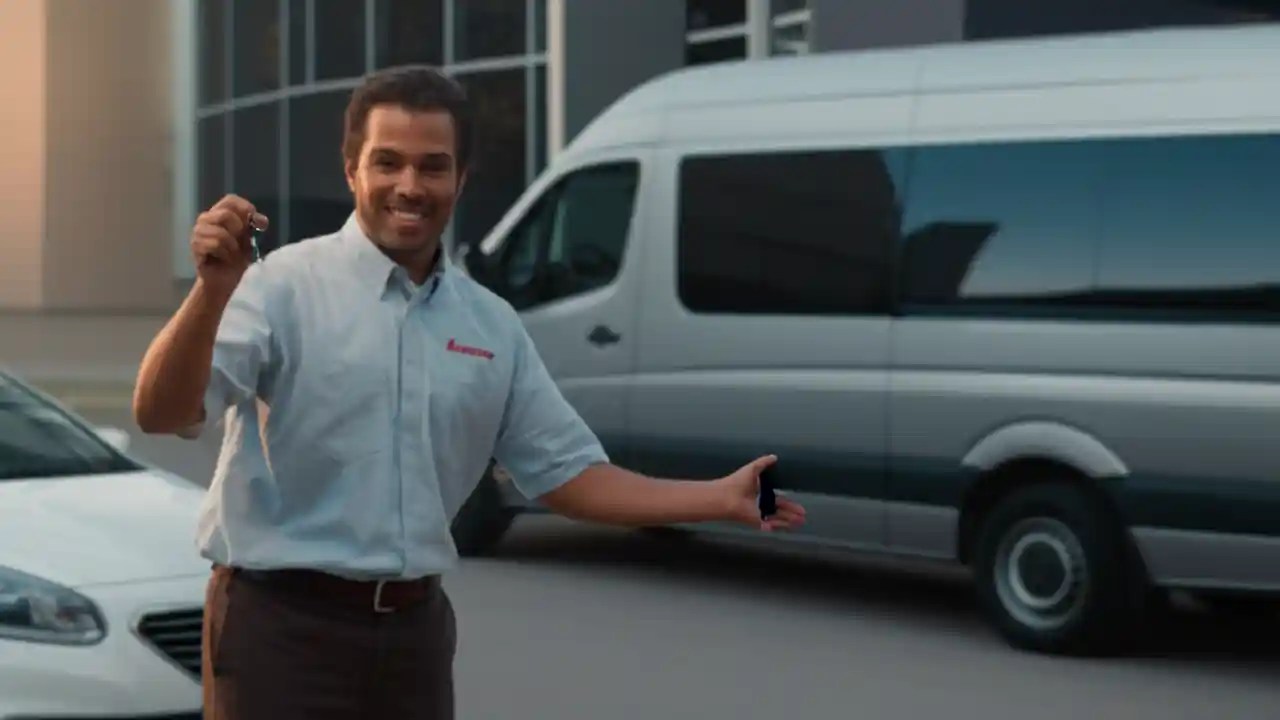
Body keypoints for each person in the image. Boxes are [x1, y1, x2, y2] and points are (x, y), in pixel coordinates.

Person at [133, 65, 806, 720]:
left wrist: (718, 498)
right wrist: (212, 292)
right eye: (388, 162)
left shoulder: (490, 325)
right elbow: (161, 412)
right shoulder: (278, 287)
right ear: (352, 169)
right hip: (279, 629)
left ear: (461, 178)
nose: (409, 186)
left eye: (433, 166)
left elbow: (569, 474)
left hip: (412, 637)